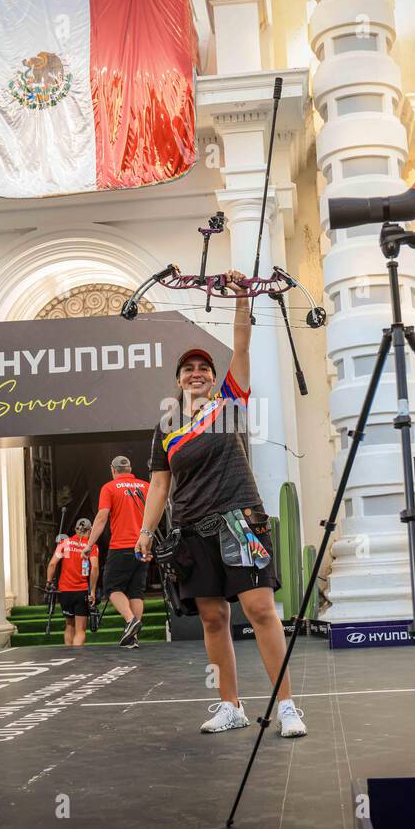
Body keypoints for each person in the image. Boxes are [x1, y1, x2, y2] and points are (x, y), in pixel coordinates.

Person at [136, 270, 306, 738]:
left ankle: (287, 705)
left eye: (204, 368)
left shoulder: (228, 403)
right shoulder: (167, 427)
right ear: (178, 380)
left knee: (261, 611)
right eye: (188, 369)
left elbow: (243, 343)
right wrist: (147, 531)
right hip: (191, 529)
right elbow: (158, 485)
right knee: (213, 617)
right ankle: (229, 705)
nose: (197, 373)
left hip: (239, 521)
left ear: (213, 378)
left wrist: (241, 299)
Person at [85, 455, 150, 648]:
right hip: (143, 546)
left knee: (112, 588)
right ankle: (133, 638)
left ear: (113, 470)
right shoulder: (146, 487)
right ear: (130, 469)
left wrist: (89, 544)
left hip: (121, 546)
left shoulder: (109, 488)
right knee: (136, 591)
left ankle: (131, 621)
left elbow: (102, 517)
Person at [47, 518, 99, 647]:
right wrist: (92, 591)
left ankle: (68, 655)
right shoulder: (91, 546)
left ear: (75, 529)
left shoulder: (64, 543)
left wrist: (49, 582)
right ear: (90, 530)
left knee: (69, 625)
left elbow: (52, 564)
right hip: (81, 591)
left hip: (64, 591)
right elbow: (95, 568)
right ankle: (76, 656)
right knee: (80, 629)